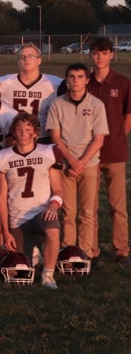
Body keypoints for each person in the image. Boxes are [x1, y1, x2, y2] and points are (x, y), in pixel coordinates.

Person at [47, 62, 108, 260]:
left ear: (87, 80)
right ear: (67, 80)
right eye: (72, 77)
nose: (76, 80)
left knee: (87, 212)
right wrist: (71, 161)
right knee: (68, 212)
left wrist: (81, 162)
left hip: (88, 165)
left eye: (80, 76)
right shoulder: (57, 104)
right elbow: (56, 137)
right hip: (66, 163)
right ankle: (68, 251)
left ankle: (85, 253)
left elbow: (98, 139)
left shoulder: (96, 104)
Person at [0, 112, 63, 289]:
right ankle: (34, 253)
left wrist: (53, 206)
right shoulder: (3, 157)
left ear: (35, 133)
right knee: (17, 266)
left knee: (53, 230)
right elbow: (1, 198)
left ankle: (48, 275)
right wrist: (6, 230)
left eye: (28, 129)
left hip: (41, 213)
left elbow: (58, 190)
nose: (24, 133)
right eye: (19, 130)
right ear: (13, 133)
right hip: (17, 219)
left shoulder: (48, 152)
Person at [86, 37, 131, 264]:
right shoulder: (83, 82)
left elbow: (128, 115)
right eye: (96, 52)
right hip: (88, 153)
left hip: (114, 152)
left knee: (117, 204)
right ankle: (91, 249)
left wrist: (118, 137)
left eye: (104, 52)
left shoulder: (122, 82)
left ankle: (121, 249)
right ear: (90, 55)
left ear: (112, 54)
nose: (100, 57)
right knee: (90, 205)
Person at [0, 44, 63, 143]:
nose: (26, 59)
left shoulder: (55, 84)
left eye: (31, 56)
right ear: (17, 62)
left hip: (42, 139)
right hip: (14, 139)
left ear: (39, 60)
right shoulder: (3, 83)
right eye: (22, 57)